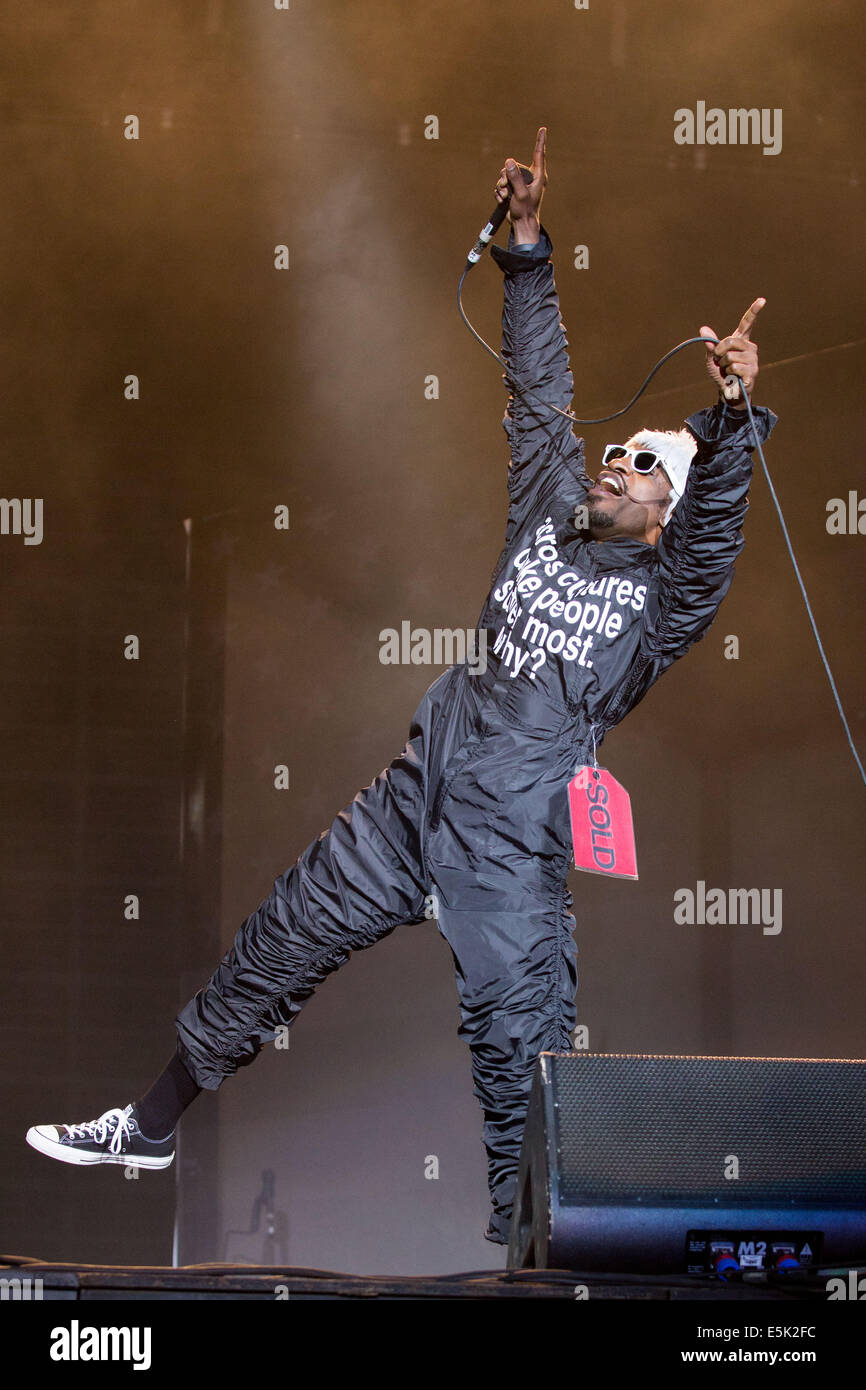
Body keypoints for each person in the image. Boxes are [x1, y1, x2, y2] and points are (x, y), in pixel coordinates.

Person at [26, 127, 777, 1247]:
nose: (612, 467)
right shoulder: (544, 512)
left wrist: (724, 423)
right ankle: (149, 1123)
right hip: (413, 800)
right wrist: (526, 246)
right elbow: (538, 393)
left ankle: (532, 1263)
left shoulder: (662, 600)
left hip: (510, 845)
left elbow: (714, 535)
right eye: (614, 455)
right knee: (275, 942)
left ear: (663, 504)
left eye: (638, 468)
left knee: (516, 1055)